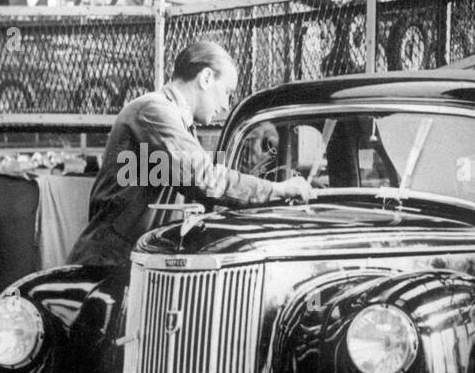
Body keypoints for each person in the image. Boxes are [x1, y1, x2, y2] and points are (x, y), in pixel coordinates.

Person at [67, 41, 312, 267]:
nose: (226, 105)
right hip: (108, 262)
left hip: (132, 259)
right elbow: (203, 178)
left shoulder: (177, 122)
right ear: (206, 77)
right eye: (227, 91)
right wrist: (275, 190)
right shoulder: (152, 111)